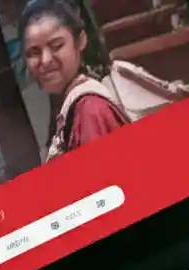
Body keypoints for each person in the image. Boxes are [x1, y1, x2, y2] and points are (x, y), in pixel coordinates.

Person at [18, 0, 129, 161]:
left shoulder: (90, 112)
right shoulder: (66, 105)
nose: (45, 60)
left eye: (56, 46)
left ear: (80, 41)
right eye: (33, 53)